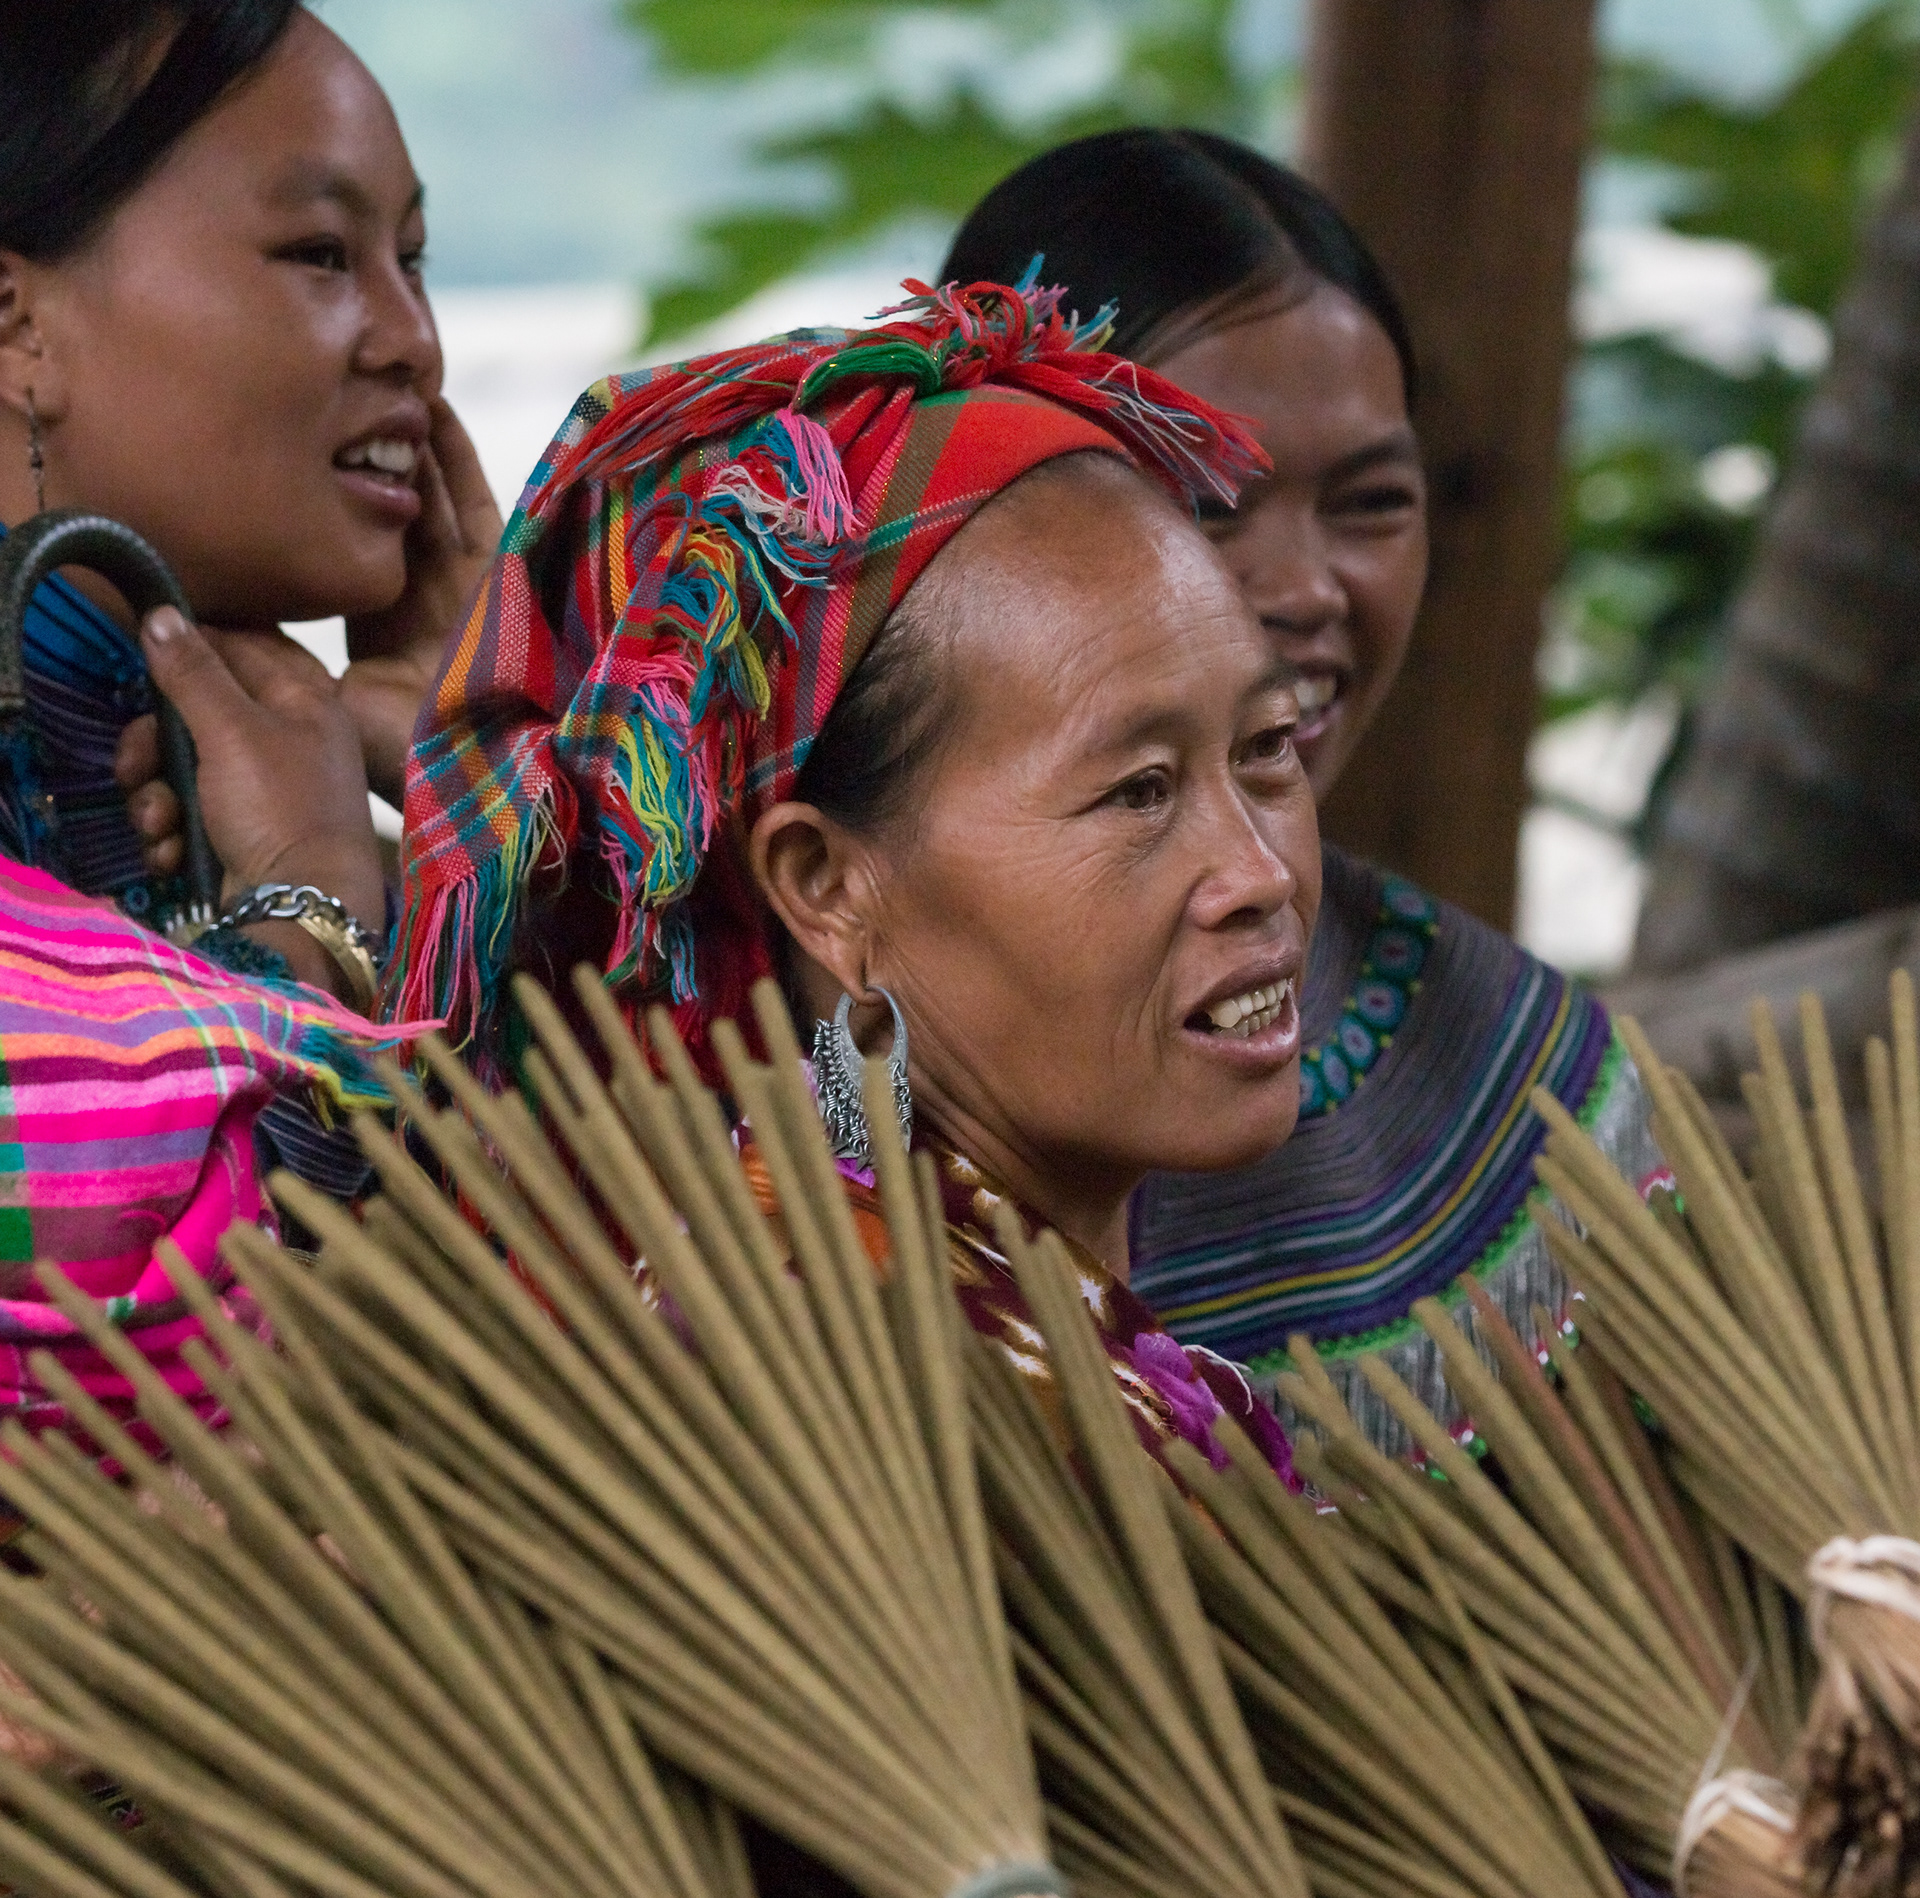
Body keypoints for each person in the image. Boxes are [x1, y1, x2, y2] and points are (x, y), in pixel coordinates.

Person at [389, 277, 1309, 1478]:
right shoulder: (832, 1384)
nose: (1259, 871)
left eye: (1269, 749)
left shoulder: (967, 1311)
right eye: (1139, 790)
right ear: (826, 885)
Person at [942, 132, 1662, 1451]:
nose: (1308, 588)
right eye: (1208, 503)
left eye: (1372, 500)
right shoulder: (779, 1085)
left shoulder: (1523, 1096)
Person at [0, 0, 501, 960]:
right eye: (321, 254)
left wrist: (489, 788)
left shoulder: (332, 798)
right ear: (19, 327)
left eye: (411, 259)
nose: (415, 345)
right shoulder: (318, 854)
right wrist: (311, 903)